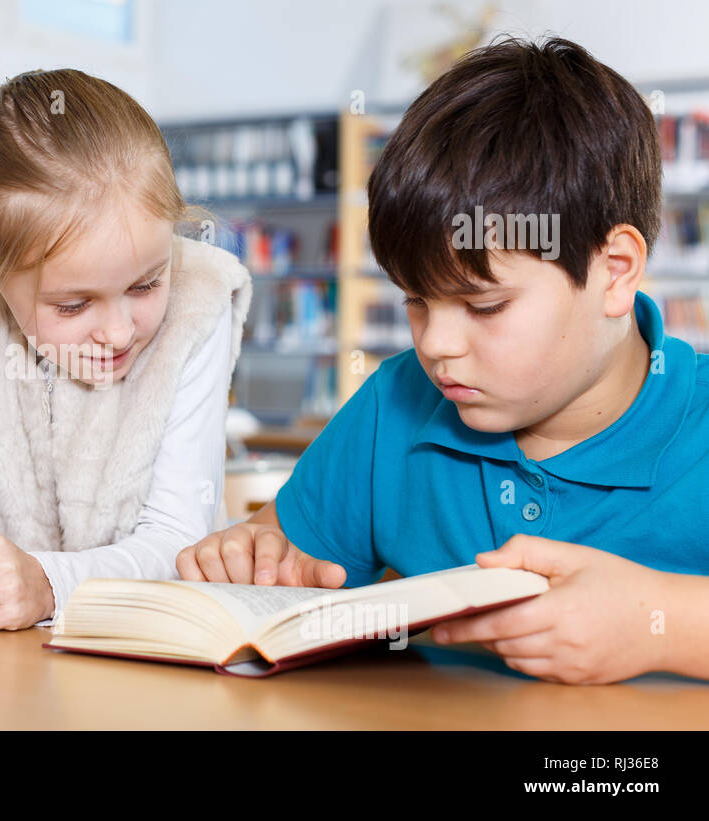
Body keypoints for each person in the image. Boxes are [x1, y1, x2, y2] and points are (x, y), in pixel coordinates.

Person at [176, 36, 709, 685]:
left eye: (484, 306)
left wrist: (663, 621)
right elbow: (284, 554)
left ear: (615, 272)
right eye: (416, 300)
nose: (435, 344)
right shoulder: (395, 404)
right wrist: (251, 553)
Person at [0, 68, 253, 636]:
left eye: (147, 285)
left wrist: (48, 583)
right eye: (74, 305)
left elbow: (179, 542)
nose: (120, 332)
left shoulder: (202, 296)